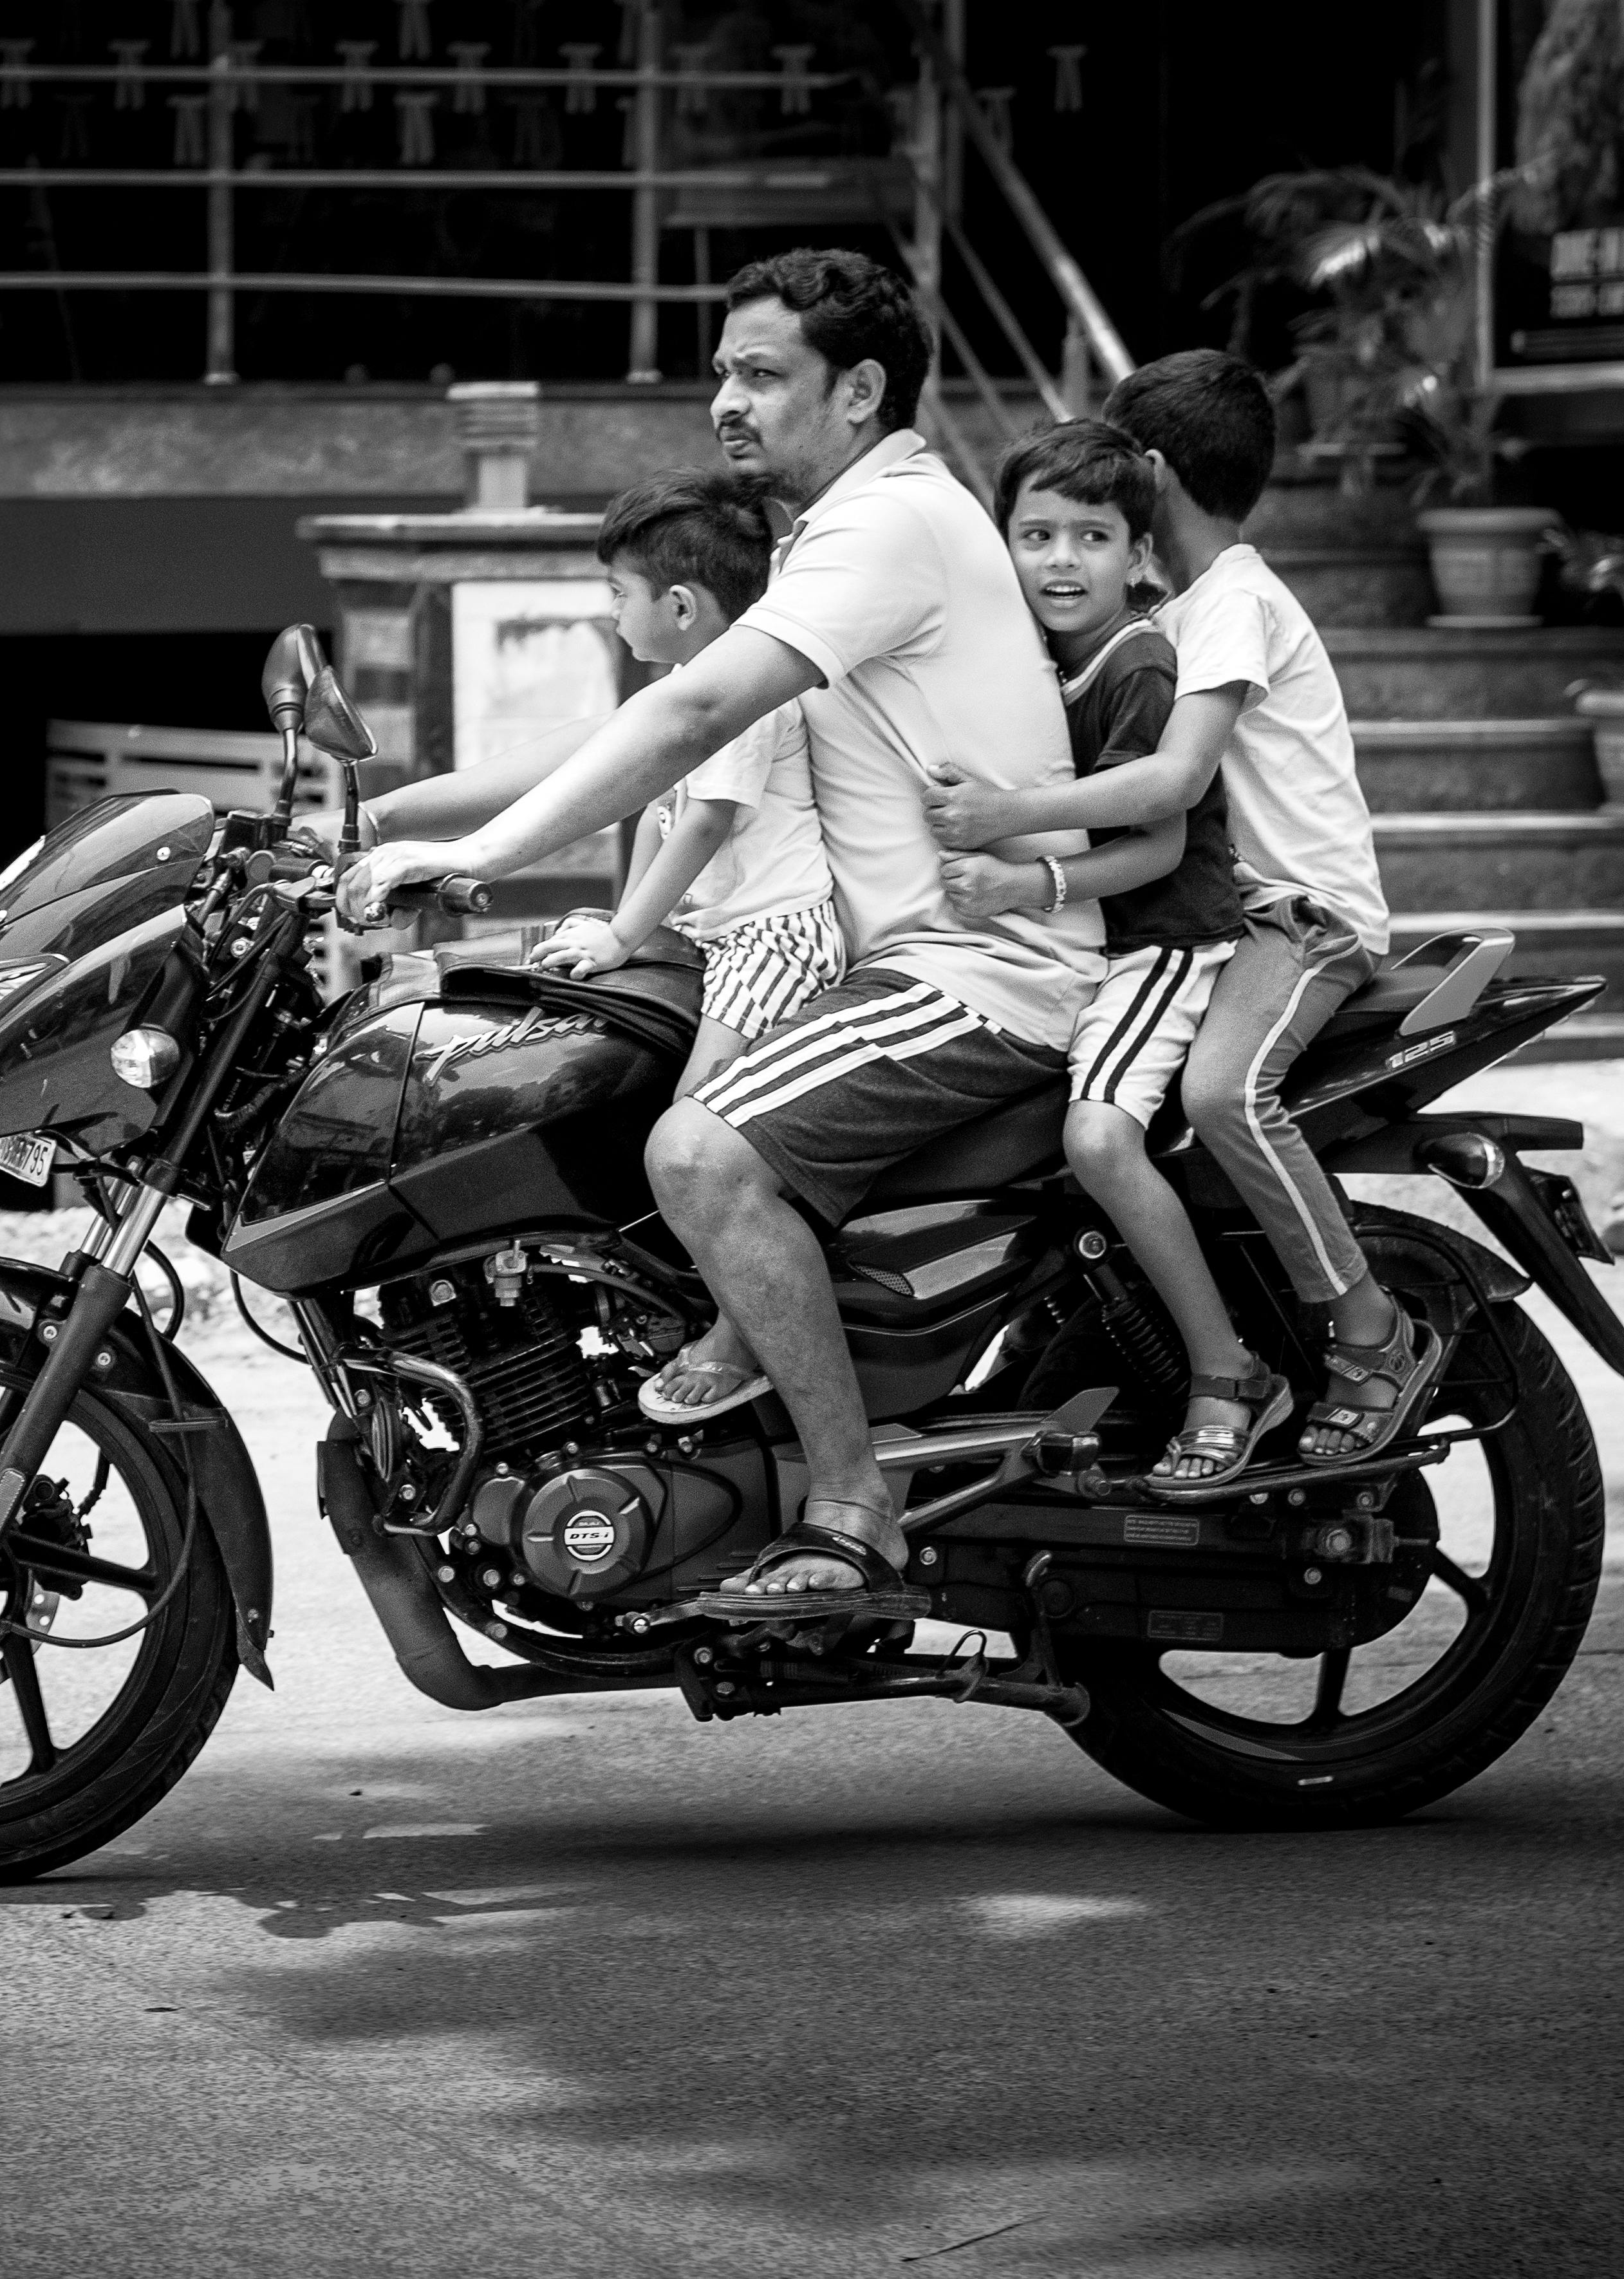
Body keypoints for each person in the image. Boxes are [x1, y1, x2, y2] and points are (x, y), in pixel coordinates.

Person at [343, 247, 1102, 1617]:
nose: (726, 403)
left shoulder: (891, 526)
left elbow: (689, 721)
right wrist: (374, 813)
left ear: (860, 389)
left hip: (980, 971)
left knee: (695, 1150)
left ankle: (850, 1509)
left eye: (762, 375)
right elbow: (634, 728)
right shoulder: (834, 537)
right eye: (720, 374)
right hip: (906, 957)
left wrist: (475, 859)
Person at [926, 350, 1446, 1466]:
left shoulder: (1232, 607)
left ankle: (1370, 1329)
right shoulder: (1179, 607)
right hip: (1226, 914)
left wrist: (1006, 817)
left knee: (1224, 1095)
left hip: (1302, 920)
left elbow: (1172, 784)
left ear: (1149, 472)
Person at [929, 420, 1281, 1481]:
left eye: (1091, 537)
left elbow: (1161, 840)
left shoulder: (1136, 661)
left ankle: (1228, 1372)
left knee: (1095, 1141)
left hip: (1162, 941)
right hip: (1088, 947)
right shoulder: (1039, 662)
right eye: (1035, 535)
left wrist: (1018, 873)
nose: (1060, 560)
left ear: (1138, 557)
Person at [530, 468, 846, 1113]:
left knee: (693, 1111)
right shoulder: (687, 684)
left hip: (771, 938)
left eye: (620, 592)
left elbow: (708, 821)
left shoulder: (740, 694)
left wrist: (621, 939)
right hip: (713, 929)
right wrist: (632, 926)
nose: (612, 608)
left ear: (679, 606)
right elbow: (659, 813)